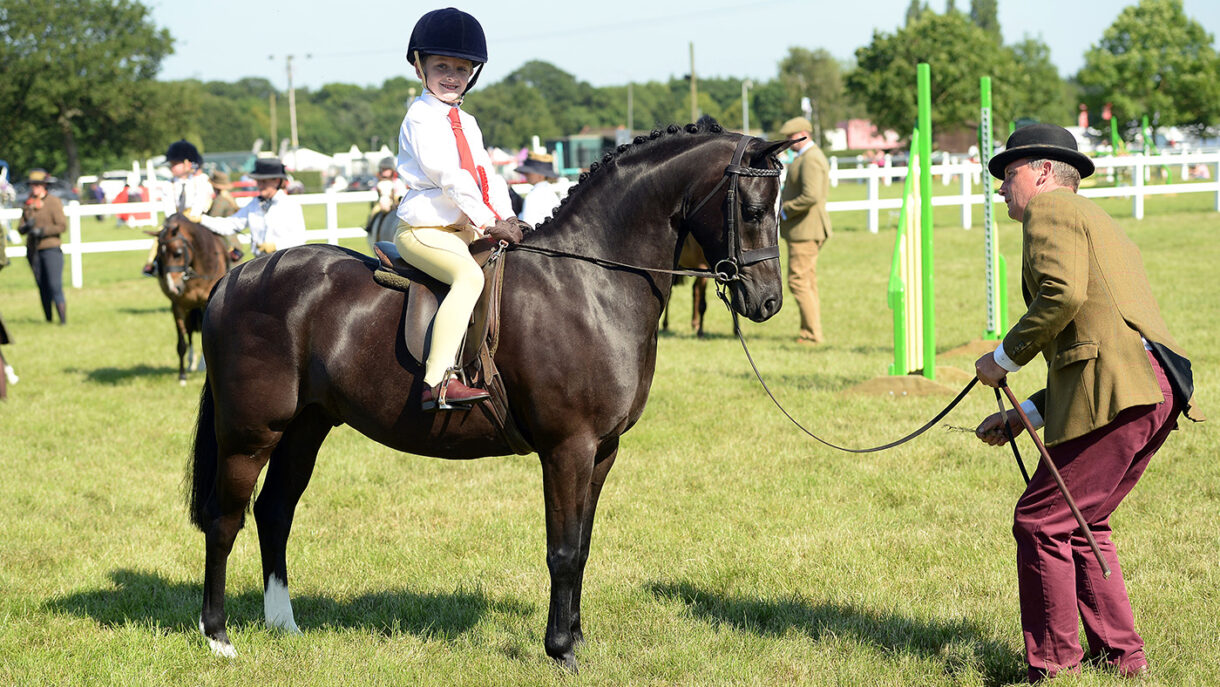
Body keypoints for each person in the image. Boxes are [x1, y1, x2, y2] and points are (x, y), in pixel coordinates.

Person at [972, 123, 1205, 682]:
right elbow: (1098, 341)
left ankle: (1054, 666)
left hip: (1123, 387)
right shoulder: (1098, 220)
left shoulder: (1049, 212)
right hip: (1156, 386)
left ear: (1044, 172)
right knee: (1083, 521)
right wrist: (1023, 414)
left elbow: (1064, 296)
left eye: (1009, 175)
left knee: (1041, 522)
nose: (1002, 188)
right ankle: (1123, 658)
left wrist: (1002, 359)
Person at [395, 7, 526, 411]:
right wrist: (489, 222)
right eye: (441, 66)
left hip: (463, 231)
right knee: (469, 278)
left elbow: (486, 175)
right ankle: (436, 381)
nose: (452, 76)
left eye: (462, 68)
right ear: (419, 67)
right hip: (424, 232)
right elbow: (451, 177)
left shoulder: (466, 121)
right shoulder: (419, 117)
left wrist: (505, 218)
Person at [778, 116, 832, 346]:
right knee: (807, 282)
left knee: (799, 282)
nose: (789, 142)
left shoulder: (811, 159)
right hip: (804, 230)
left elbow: (811, 196)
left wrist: (783, 209)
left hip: (806, 230)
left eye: (791, 138)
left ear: (803, 134)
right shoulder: (806, 157)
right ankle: (809, 331)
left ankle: (811, 334)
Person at [199, 158, 306, 259]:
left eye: (264, 181)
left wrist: (276, 245)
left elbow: (299, 239)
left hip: (286, 263)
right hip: (260, 263)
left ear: (276, 181)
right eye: (258, 181)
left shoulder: (291, 205)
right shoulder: (254, 204)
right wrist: (201, 219)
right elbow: (230, 224)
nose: (260, 185)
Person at [143, 140, 213, 276]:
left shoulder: (200, 181)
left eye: (175, 164)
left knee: (216, 233)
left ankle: (229, 252)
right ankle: (152, 263)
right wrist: (173, 220)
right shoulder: (168, 185)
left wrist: (193, 216)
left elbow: (200, 200)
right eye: (171, 164)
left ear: (187, 164)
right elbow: (168, 206)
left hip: (195, 217)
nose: (171, 167)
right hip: (176, 219)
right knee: (160, 235)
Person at [18, 169, 67, 324]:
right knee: (42, 286)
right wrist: (26, 227)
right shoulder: (28, 204)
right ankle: (48, 319)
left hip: (50, 248)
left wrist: (43, 231)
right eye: (33, 185)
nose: (35, 188)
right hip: (34, 250)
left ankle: (63, 320)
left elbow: (62, 226)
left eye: (38, 185)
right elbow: (20, 228)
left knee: (54, 285)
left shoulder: (53, 202)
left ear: (44, 185)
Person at [514, 152, 562, 226]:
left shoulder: (533, 196)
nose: (526, 174)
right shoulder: (550, 192)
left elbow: (527, 226)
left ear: (540, 175)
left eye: (530, 172)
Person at [207, 169, 244, 261]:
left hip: (226, 244)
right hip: (232, 242)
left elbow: (212, 220)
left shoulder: (220, 201)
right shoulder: (228, 198)